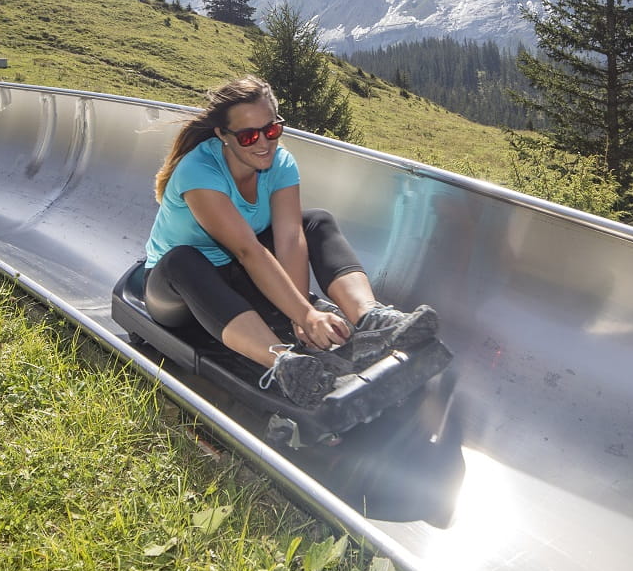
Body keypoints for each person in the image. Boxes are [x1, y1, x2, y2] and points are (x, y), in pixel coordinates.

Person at [144, 75, 438, 406]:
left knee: (315, 221)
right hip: (177, 292)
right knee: (184, 259)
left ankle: (371, 318)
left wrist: (299, 313)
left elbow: (290, 237)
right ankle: (283, 363)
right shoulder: (199, 170)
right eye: (248, 136)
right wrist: (307, 316)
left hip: (236, 278)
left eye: (271, 130)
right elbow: (247, 251)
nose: (263, 143)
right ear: (222, 136)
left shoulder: (280, 163)